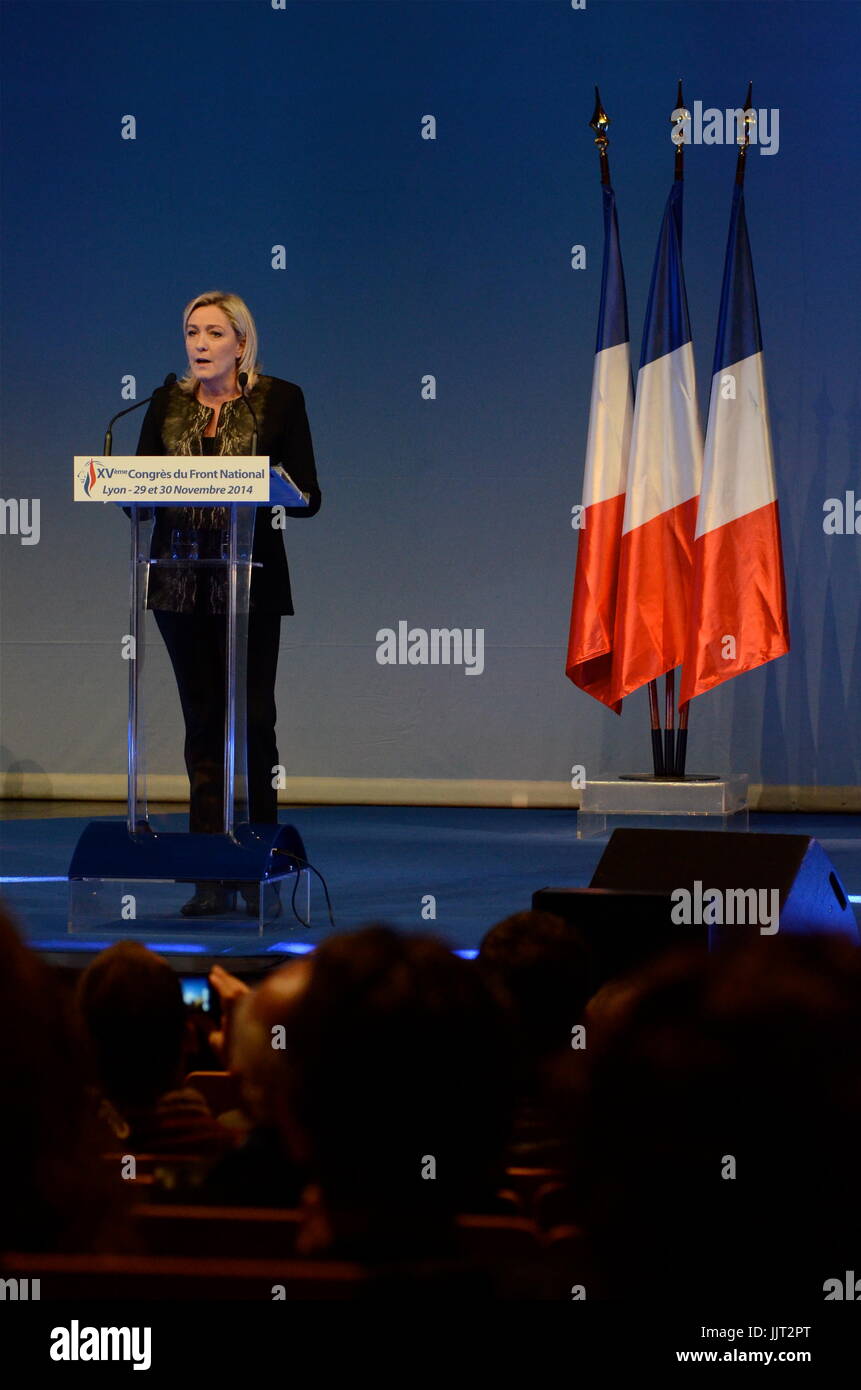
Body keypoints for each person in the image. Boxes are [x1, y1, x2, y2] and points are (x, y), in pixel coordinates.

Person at [134, 290, 321, 916]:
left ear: (241, 343)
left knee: (254, 722)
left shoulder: (280, 400)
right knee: (202, 725)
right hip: (179, 583)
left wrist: (262, 487)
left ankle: (261, 865)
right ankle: (209, 874)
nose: (201, 343)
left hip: (251, 583)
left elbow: (308, 494)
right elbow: (138, 489)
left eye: (215, 333)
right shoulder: (164, 402)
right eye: (193, 332)